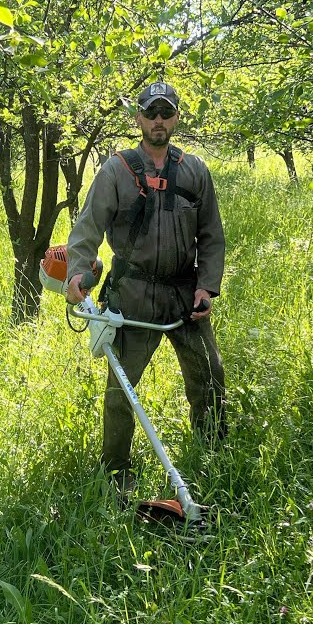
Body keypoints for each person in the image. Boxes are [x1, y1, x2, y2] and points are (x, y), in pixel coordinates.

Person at [65, 81, 227, 492]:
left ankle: (214, 455)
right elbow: (86, 230)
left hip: (184, 295)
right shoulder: (116, 170)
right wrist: (77, 274)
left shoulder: (195, 170)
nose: (158, 120)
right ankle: (116, 472)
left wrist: (206, 287)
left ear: (176, 118)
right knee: (121, 390)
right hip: (133, 295)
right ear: (138, 118)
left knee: (210, 375)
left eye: (166, 112)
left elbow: (211, 234)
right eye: (150, 113)